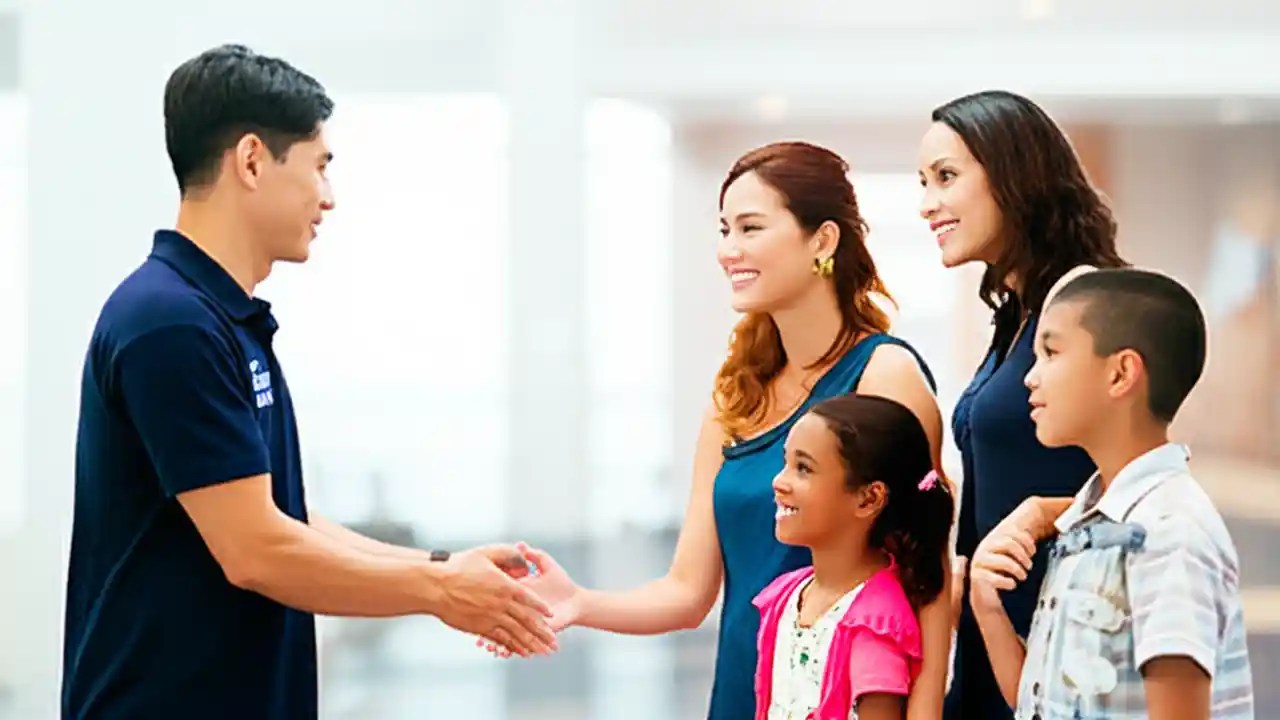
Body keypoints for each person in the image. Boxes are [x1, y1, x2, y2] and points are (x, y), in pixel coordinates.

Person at [61, 44, 554, 720]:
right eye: (320, 167)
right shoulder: (169, 323)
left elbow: (285, 518)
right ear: (253, 160)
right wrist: (439, 591)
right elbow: (257, 551)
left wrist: (444, 566)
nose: (329, 197)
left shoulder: (216, 318)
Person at [508, 141, 955, 719]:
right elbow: (688, 593)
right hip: (742, 696)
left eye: (750, 228)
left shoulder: (885, 375)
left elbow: (930, 576)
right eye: (724, 230)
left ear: (822, 240)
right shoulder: (735, 396)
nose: (728, 251)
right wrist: (580, 602)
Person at [916, 89, 1128, 720]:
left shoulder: (1084, 300)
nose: (928, 204)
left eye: (946, 177)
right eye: (923, 183)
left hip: (1061, 642)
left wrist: (1038, 515)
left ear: (1013, 175)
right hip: (993, 631)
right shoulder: (1017, 315)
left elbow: (1146, 488)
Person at [969, 268, 1255, 719]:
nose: (1030, 377)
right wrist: (987, 605)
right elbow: (1039, 704)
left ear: (1121, 373)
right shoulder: (1091, 523)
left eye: (1051, 352)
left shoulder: (1169, 533)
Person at [752, 395, 955, 720]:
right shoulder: (784, 596)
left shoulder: (875, 621)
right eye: (786, 462)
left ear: (868, 498)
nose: (779, 481)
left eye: (803, 468)